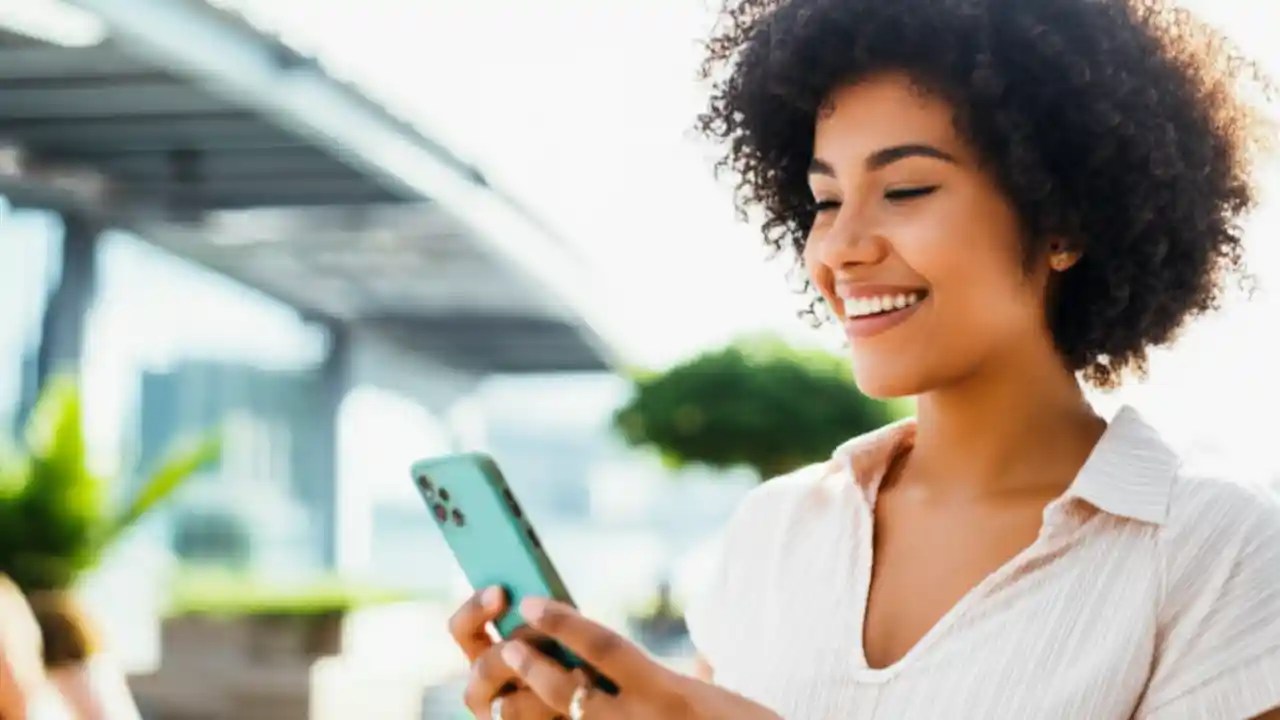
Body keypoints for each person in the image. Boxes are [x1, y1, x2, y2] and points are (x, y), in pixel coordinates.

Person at [447, 0, 1280, 717]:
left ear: (1063, 220)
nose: (840, 247)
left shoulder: (1217, 552)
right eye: (825, 200)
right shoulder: (772, 534)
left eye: (907, 190)